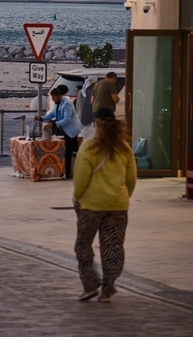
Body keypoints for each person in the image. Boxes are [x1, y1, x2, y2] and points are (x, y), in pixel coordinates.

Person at [72, 108, 137, 303]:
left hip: (91, 205)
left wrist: (78, 197)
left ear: (96, 125)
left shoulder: (89, 147)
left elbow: (81, 178)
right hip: (117, 206)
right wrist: (123, 197)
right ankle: (108, 289)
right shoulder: (125, 148)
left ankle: (90, 285)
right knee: (112, 248)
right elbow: (131, 179)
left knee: (83, 245)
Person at [37, 85, 82, 180]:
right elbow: (52, 114)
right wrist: (41, 118)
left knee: (69, 152)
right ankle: (66, 171)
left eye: (54, 97)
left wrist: (53, 125)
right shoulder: (58, 103)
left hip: (72, 131)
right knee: (69, 152)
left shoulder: (67, 104)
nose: (52, 100)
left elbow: (67, 120)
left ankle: (69, 174)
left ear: (59, 96)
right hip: (64, 130)